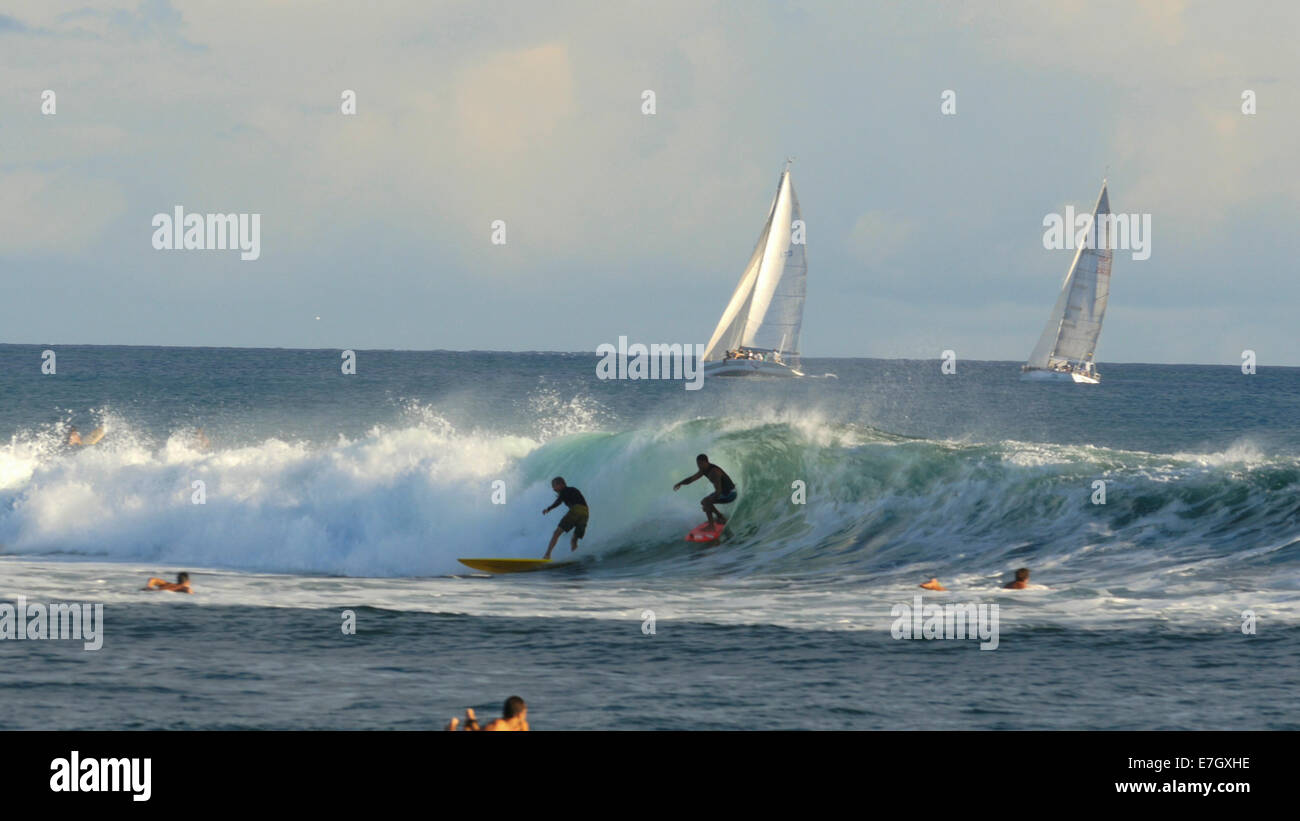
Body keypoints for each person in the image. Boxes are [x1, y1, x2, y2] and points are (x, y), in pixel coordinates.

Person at [673, 453, 737, 526]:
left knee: (706, 502)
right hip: (723, 492)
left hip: (730, 494)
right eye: (698, 464)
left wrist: (708, 504)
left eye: (700, 464)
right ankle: (721, 517)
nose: (699, 466)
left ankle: (711, 526)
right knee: (705, 502)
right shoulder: (703, 470)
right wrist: (680, 483)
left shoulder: (714, 472)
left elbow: (718, 492)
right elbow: (691, 479)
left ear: (706, 462)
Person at [542, 477, 588, 559]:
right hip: (585, 513)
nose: (553, 489)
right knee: (574, 540)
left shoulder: (564, 491)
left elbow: (558, 502)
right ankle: (576, 556)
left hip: (577, 509)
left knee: (556, 533)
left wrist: (548, 509)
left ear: (561, 484)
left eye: (554, 486)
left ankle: (547, 555)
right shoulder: (573, 489)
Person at [446, 696, 530, 731]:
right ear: (519, 714)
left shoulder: (523, 725)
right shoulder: (497, 727)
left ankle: (471, 717)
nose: (526, 713)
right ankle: (452, 725)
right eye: (525, 711)